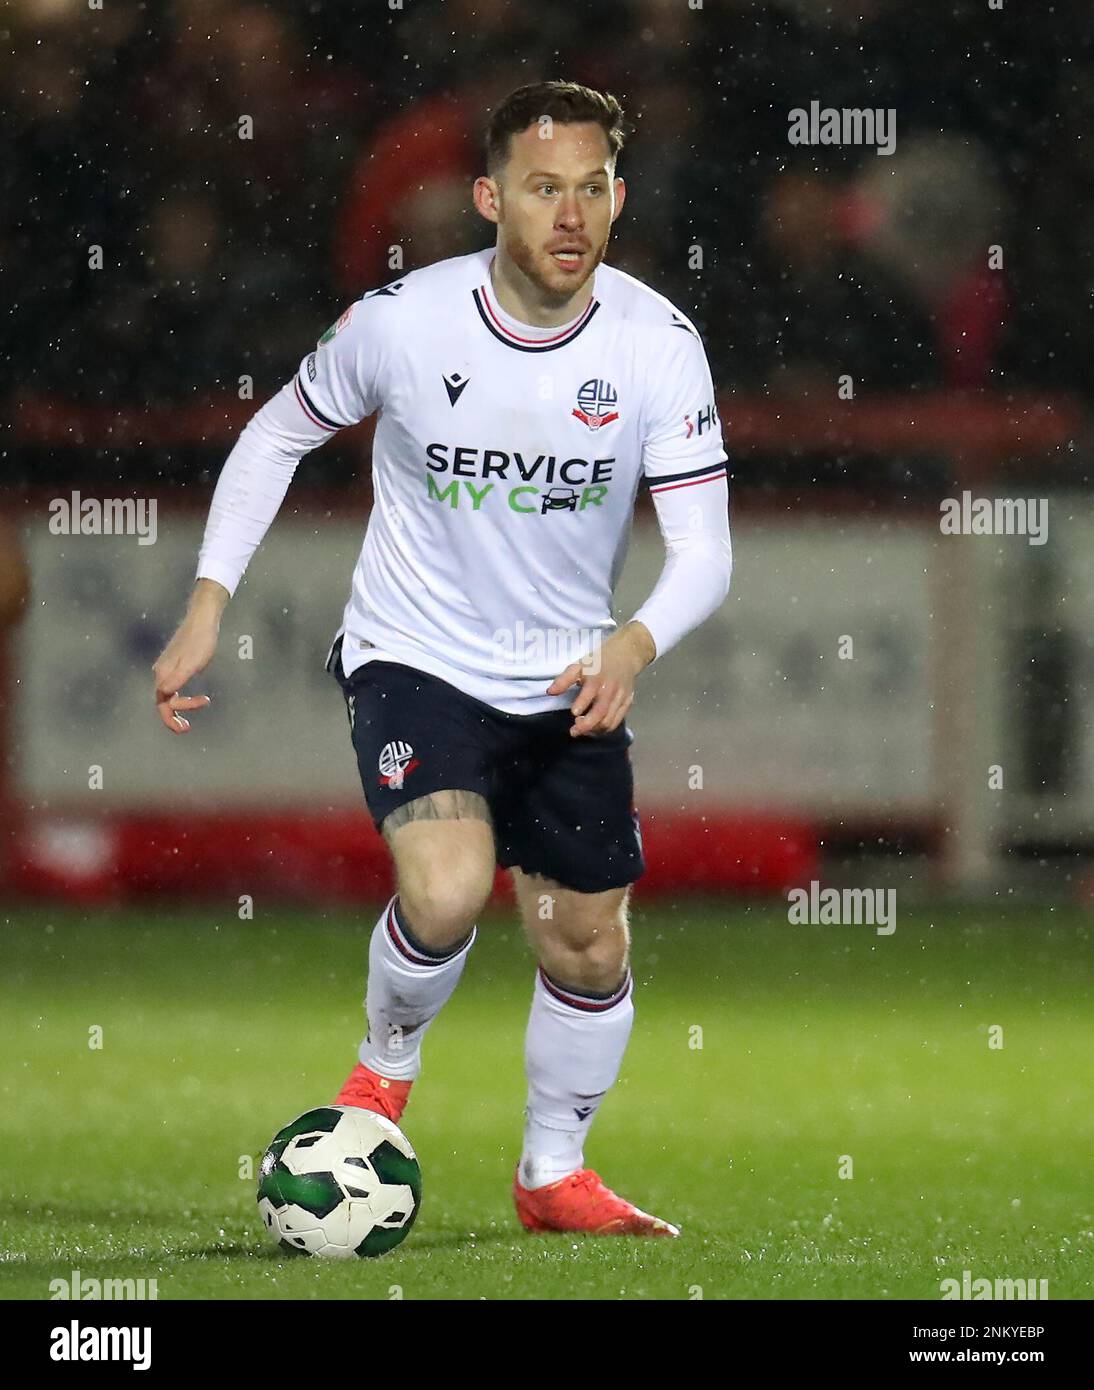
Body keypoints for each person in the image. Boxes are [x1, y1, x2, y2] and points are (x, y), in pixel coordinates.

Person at [153, 81, 731, 1238]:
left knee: (586, 937)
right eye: (541, 188)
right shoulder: (402, 323)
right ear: (487, 197)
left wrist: (633, 638)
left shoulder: (656, 345)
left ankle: (551, 1173)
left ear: (617, 198)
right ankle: (381, 1074)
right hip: (414, 654)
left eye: (591, 189)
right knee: (450, 883)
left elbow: (705, 553)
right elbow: (277, 432)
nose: (569, 215)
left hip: (570, 676)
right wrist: (209, 597)